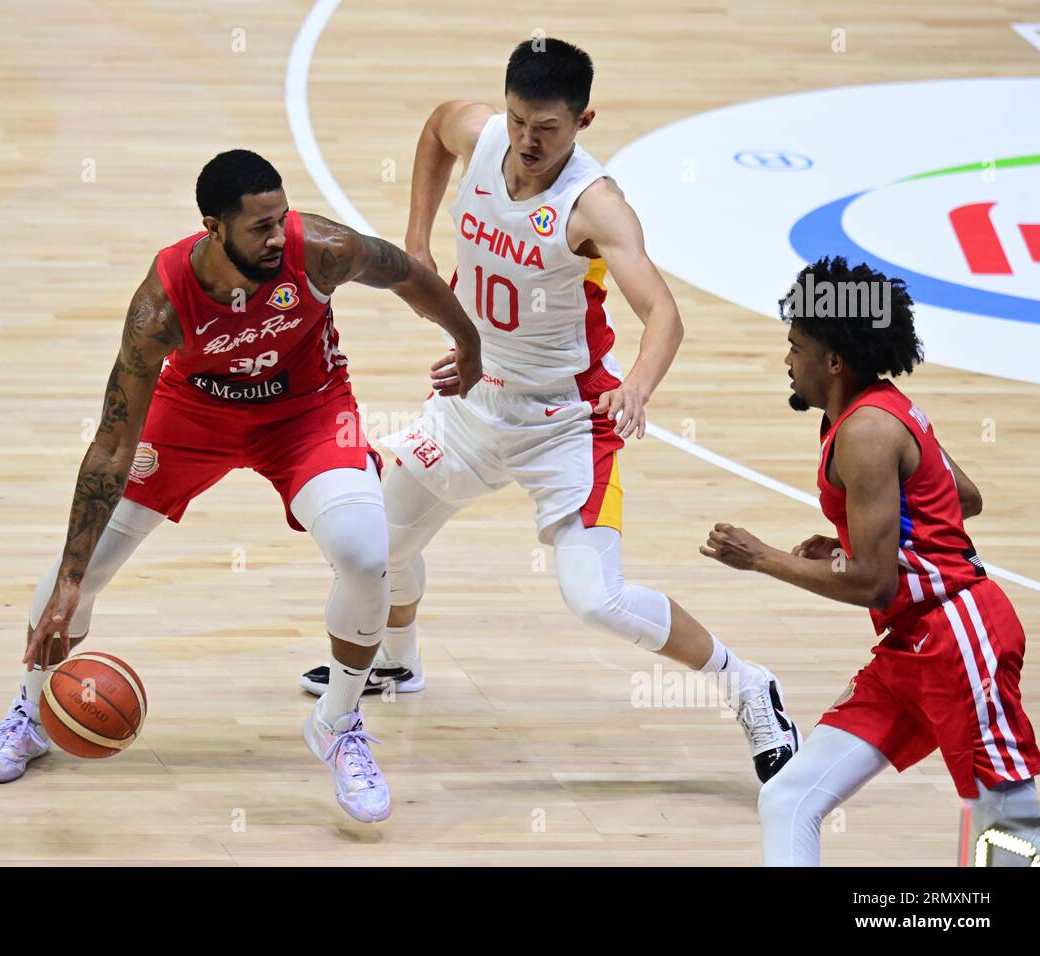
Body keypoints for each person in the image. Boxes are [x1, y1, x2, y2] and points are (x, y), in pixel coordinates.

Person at [299, 38, 798, 781]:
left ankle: (748, 685)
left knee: (595, 600)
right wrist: (414, 236)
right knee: (376, 551)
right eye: (520, 121)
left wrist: (639, 386)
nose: (529, 142)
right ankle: (397, 664)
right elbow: (438, 125)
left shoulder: (595, 205)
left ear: (584, 120)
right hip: (472, 399)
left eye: (549, 129)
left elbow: (664, 312)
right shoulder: (482, 132)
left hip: (566, 423)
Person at [0, 150, 482, 825]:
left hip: (305, 412)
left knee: (366, 554)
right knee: (80, 573)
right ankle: (34, 710)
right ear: (213, 226)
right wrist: (69, 578)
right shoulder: (161, 303)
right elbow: (111, 443)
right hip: (192, 417)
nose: (278, 237)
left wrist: (468, 343)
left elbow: (406, 273)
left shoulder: (320, 249)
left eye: (282, 219)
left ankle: (337, 724)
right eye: (260, 228)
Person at [701, 255, 1040, 865]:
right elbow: (961, 496)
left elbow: (872, 583)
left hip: (959, 640)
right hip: (914, 646)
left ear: (834, 361)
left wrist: (763, 558)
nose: (787, 360)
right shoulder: (877, 409)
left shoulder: (867, 431)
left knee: (1006, 821)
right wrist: (867, 534)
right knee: (789, 797)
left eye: (795, 345)